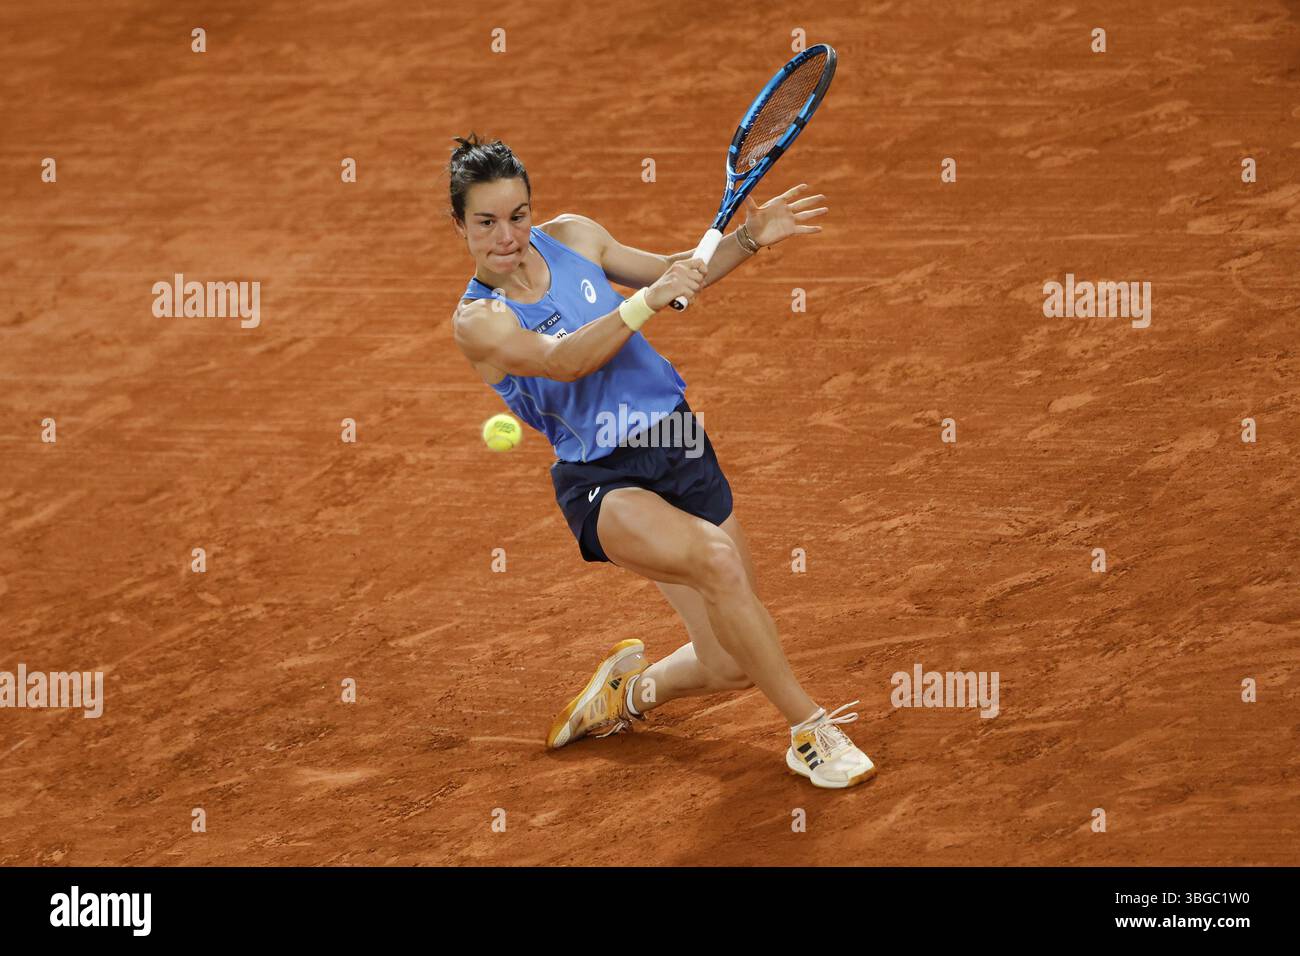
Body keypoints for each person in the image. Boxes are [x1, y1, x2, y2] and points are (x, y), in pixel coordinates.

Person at [448, 133, 875, 788]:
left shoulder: (577, 236)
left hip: (677, 442)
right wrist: (647, 301)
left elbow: (672, 274)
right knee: (718, 561)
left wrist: (750, 239)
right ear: (461, 225)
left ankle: (629, 694)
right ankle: (810, 730)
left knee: (731, 662)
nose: (507, 236)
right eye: (486, 222)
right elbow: (564, 361)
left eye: (517, 215)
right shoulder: (480, 320)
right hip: (602, 480)